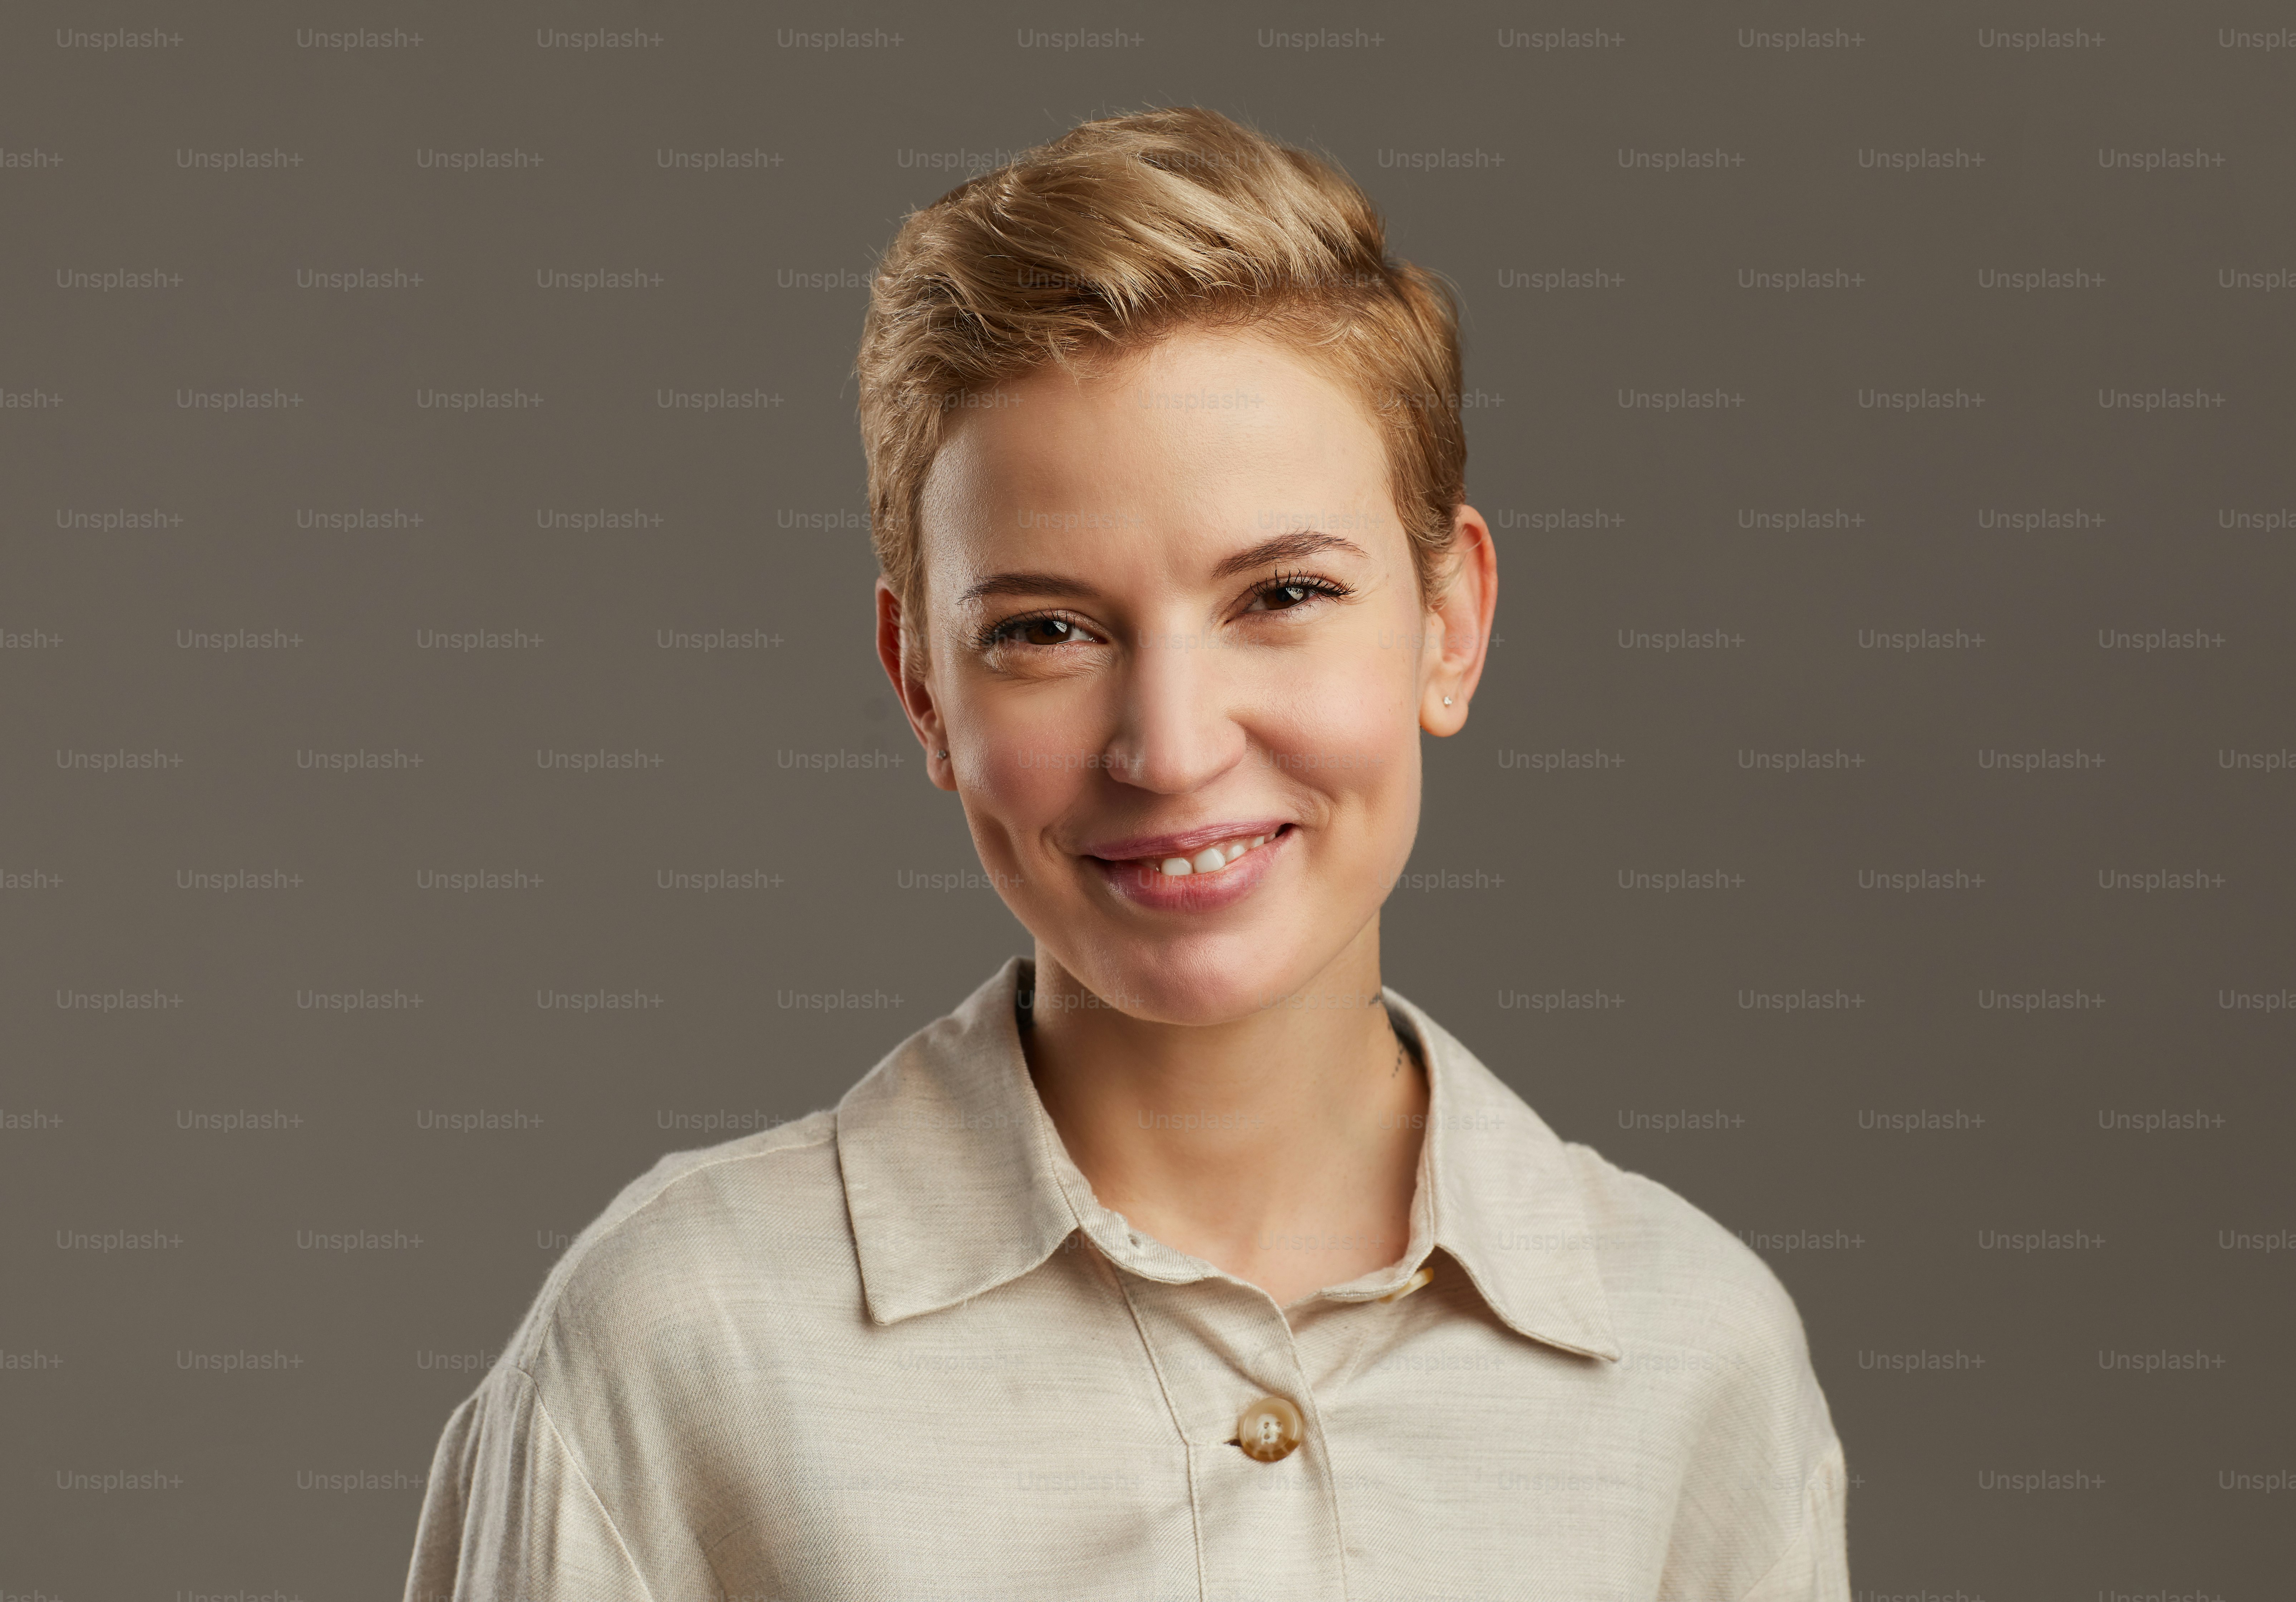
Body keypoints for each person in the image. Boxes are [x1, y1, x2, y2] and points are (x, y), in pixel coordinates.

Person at [405, 106, 1847, 1601]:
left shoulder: (1696, 1361)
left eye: (1282, 595)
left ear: (1450, 624)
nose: (1170, 748)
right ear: (921, 685)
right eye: (1045, 630)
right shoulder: (672, 1351)